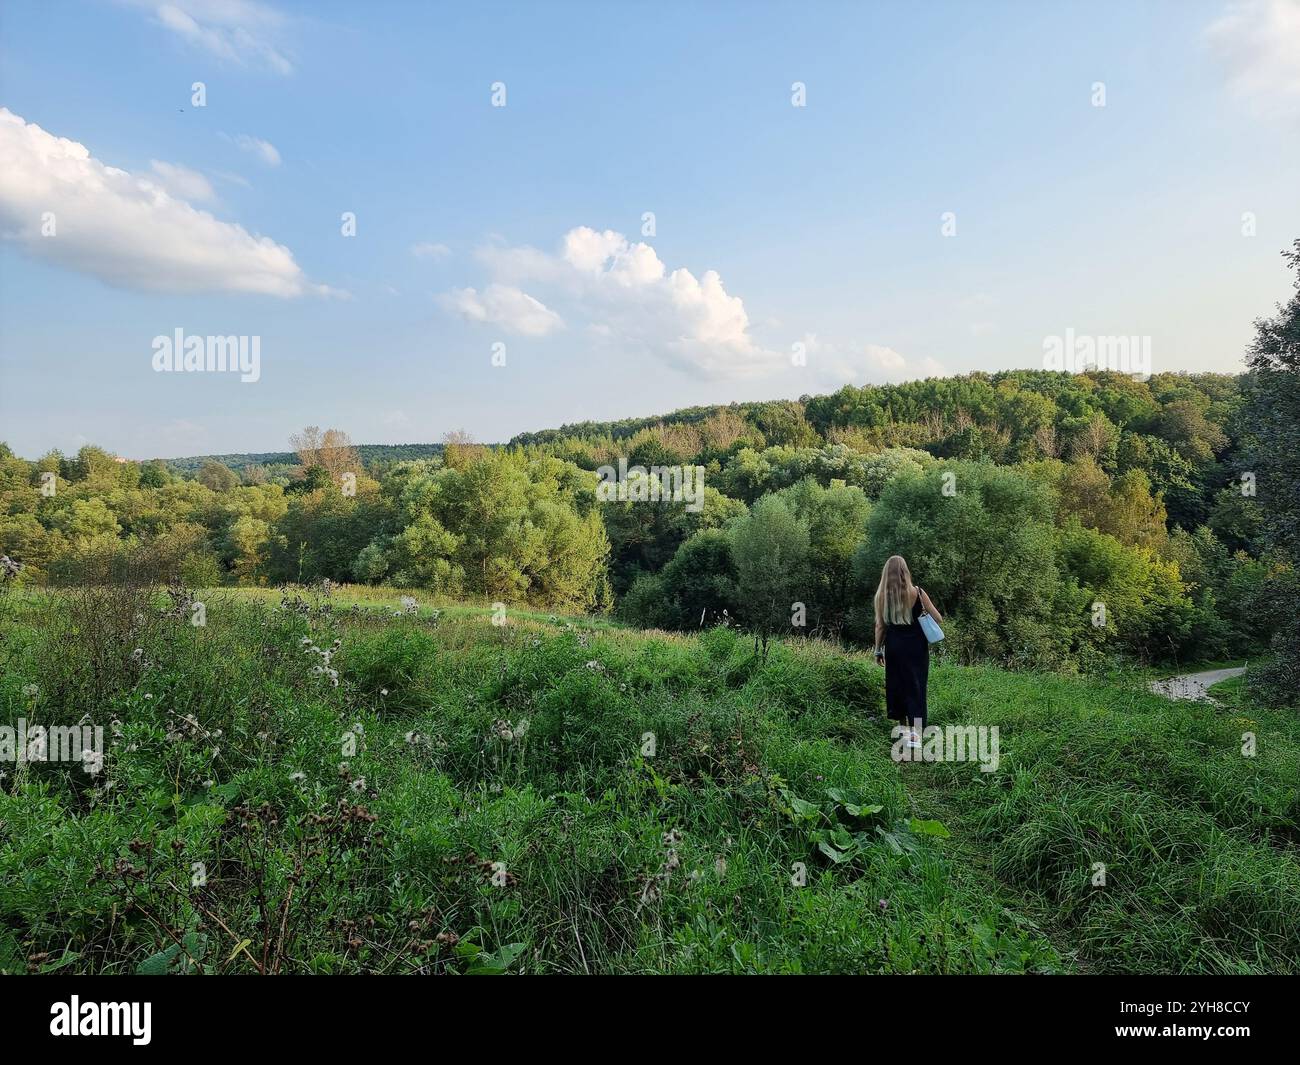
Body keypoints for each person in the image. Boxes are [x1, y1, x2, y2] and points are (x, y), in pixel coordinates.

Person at [872, 555, 942, 752]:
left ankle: (902, 731)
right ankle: (916, 735)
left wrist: (878, 650)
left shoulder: (882, 596)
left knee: (897, 686)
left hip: (894, 647)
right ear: (905, 571)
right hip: (917, 649)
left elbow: (880, 626)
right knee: (916, 686)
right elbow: (938, 618)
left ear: (887, 573)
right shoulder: (918, 592)